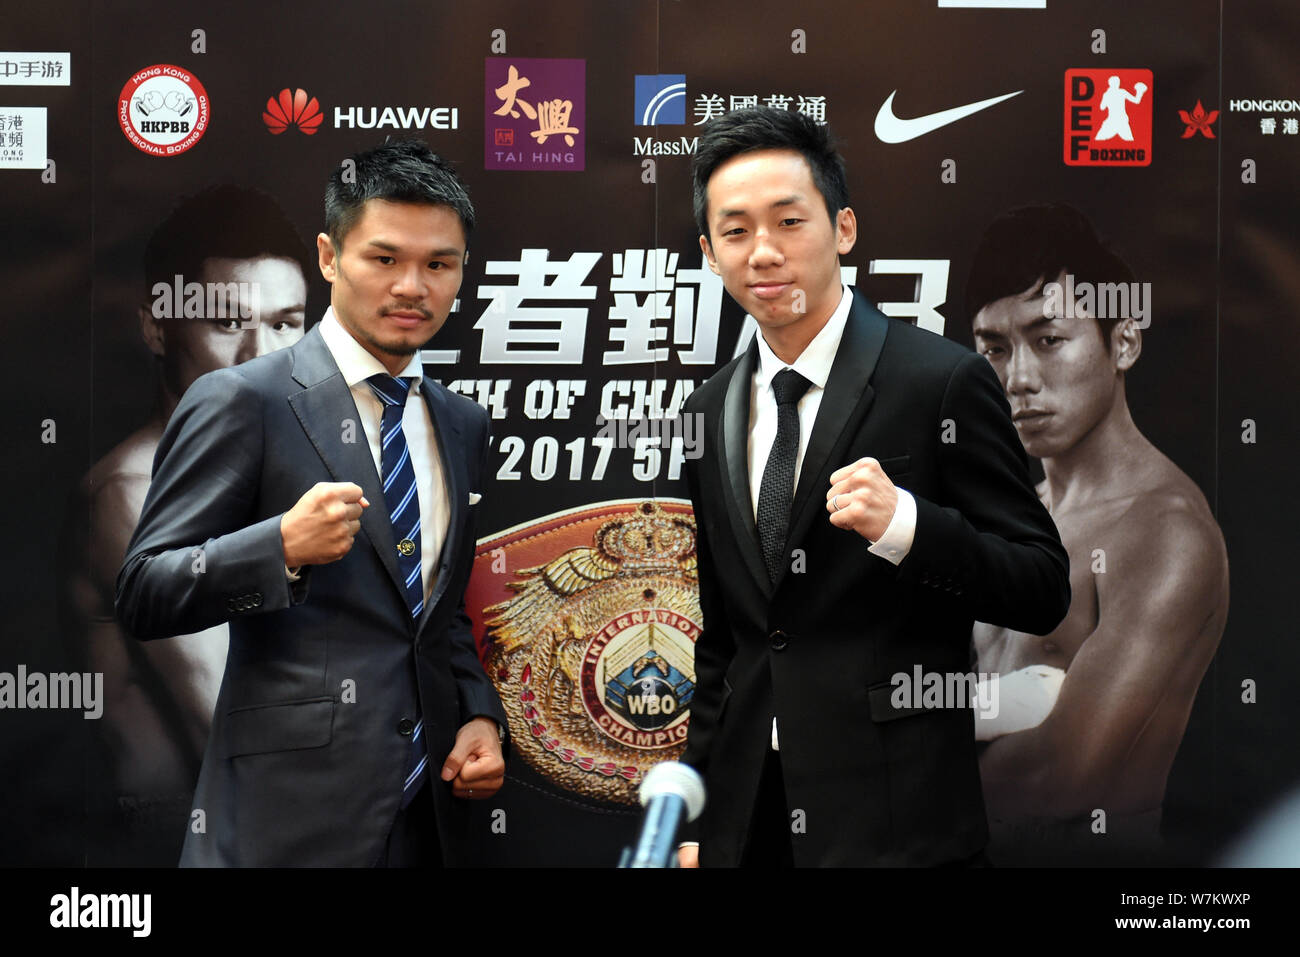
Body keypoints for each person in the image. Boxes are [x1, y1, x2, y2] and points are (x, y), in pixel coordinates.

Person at [677, 108, 1069, 867]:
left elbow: (1042, 585)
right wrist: (700, 813)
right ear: (709, 252)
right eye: (736, 231)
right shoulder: (709, 408)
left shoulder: (941, 380)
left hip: (897, 819)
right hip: (746, 820)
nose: (764, 251)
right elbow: (726, 640)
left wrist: (909, 527)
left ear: (843, 229)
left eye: (790, 221)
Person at [116, 139, 507, 866]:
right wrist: (279, 547)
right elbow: (143, 592)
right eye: (384, 258)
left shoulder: (460, 421)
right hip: (283, 827)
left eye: (439, 264)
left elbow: (435, 614)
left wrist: (477, 714)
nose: (412, 287)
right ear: (329, 257)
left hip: (430, 823)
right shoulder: (243, 398)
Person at [967, 204, 1228, 855]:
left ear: (1124, 343)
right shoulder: (1007, 516)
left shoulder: (1166, 532)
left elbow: (1053, 779)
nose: (1018, 379)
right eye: (994, 349)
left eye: (1048, 339)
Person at [62, 185, 310, 863]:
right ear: (157, 327)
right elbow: (239, 739)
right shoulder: (134, 494)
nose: (264, 355)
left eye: (288, 323)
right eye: (229, 322)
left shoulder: (279, 483)